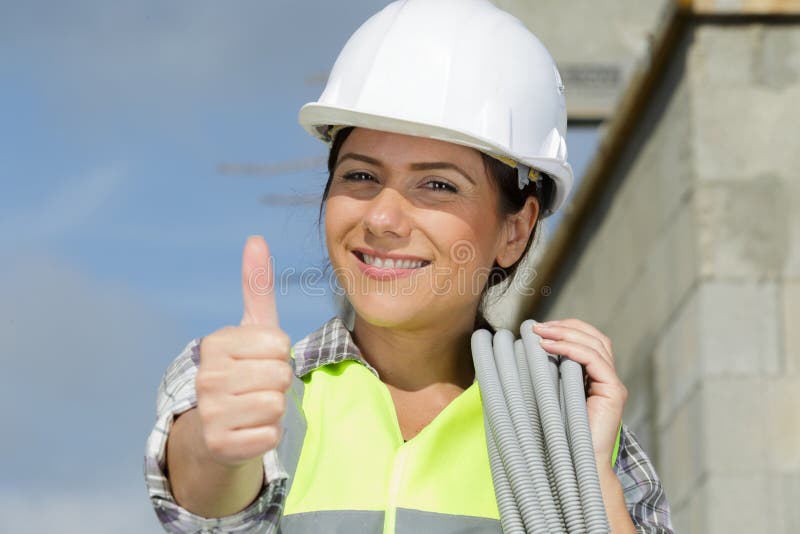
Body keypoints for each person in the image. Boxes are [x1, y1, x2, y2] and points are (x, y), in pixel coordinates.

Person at [144, 0, 674, 532]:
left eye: (438, 184)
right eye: (360, 176)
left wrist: (590, 477)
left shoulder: (567, 422)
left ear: (514, 230)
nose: (382, 217)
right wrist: (220, 450)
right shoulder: (252, 380)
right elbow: (204, 503)